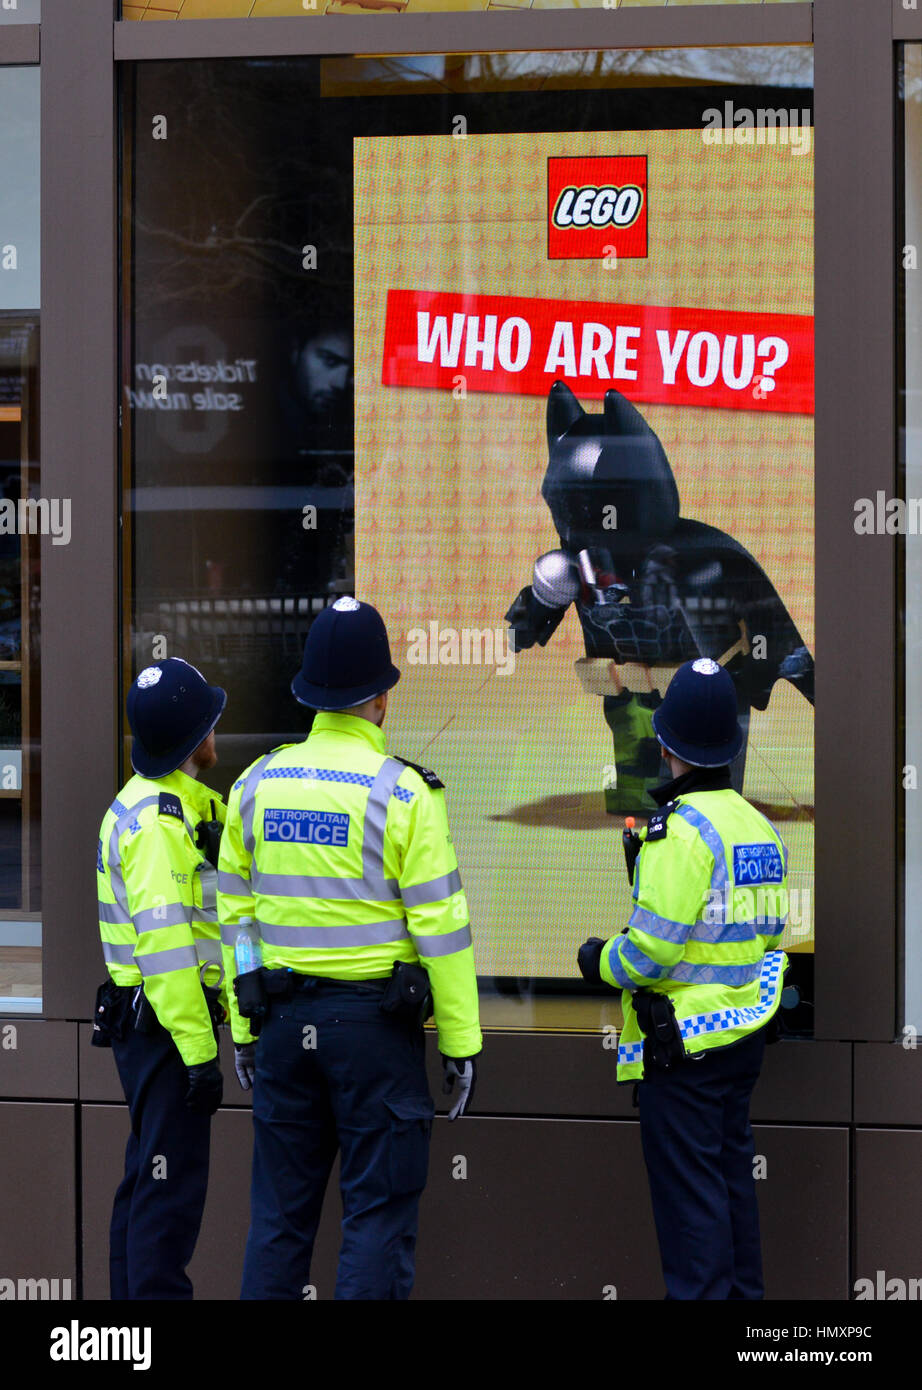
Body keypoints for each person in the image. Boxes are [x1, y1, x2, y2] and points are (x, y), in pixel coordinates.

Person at [218, 596, 482, 1301]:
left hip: (278, 1027)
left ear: (309, 693)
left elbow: (235, 922)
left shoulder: (253, 786)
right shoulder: (405, 796)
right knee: (377, 1219)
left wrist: (245, 1027)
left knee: (277, 1221)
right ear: (381, 698)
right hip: (374, 1037)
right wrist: (460, 1044)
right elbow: (443, 931)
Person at [578, 656, 790, 1300]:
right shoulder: (759, 827)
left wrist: (596, 960)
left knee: (691, 1217)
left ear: (665, 743)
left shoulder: (678, 833)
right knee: (730, 1196)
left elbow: (649, 953)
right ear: (730, 743)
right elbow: (773, 933)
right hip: (741, 1043)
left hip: (683, 1055)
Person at [94, 656, 247, 1299]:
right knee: (169, 1191)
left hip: (148, 1025)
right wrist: (199, 1056)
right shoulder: (157, 825)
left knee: (146, 1179)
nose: (218, 733)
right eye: (211, 723)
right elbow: (166, 951)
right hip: (164, 1028)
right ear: (195, 740)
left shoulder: (156, 806)